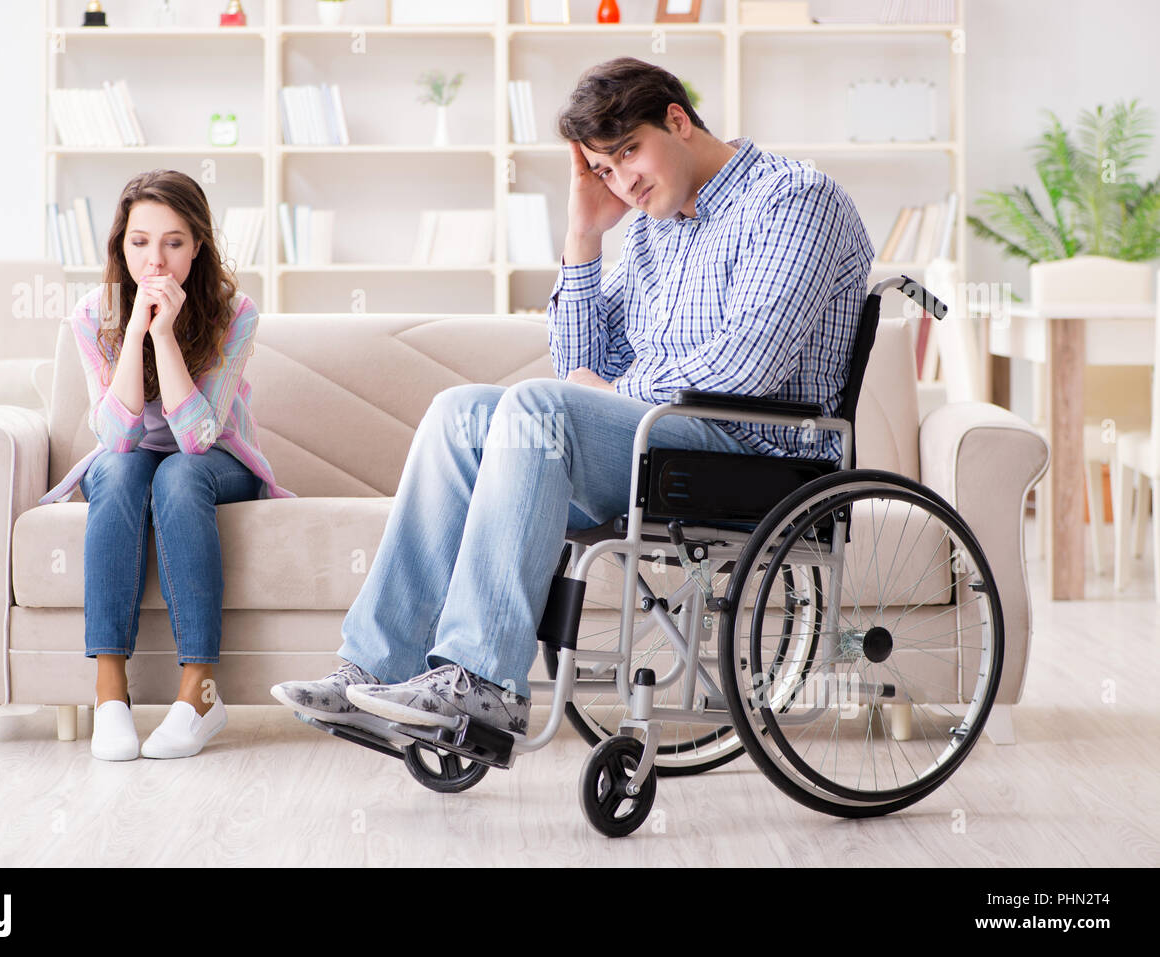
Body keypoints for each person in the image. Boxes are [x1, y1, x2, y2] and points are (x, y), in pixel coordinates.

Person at [272, 56, 875, 739]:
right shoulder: (654, 224)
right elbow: (580, 364)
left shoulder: (794, 199)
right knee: (459, 413)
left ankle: (481, 682)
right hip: (662, 443)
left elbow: (748, 365)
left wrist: (612, 391)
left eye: (628, 154)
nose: (622, 180)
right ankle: (375, 668)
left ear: (677, 121)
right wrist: (584, 235)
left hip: (756, 454)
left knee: (538, 407)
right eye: (606, 169)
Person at [39, 169, 294, 761]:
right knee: (123, 470)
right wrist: (133, 333)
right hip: (130, 458)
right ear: (119, 245)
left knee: (178, 471)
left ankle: (199, 694)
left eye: (173, 242)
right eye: (139, 242)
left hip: (216, 462)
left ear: (198, 244)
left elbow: (199, 436)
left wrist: (166, 338)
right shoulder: (89, 314)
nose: (155, 260)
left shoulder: (236, 312)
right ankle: (109, 694)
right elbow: (118, 438)